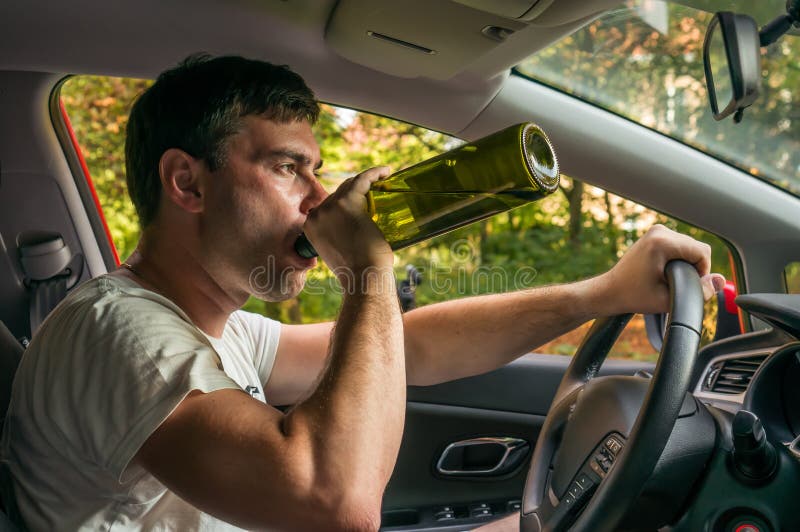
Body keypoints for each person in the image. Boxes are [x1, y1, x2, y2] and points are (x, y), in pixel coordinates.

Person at [0, 55, 726, 531]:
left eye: (317, 171)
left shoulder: (213, 329)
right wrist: (367, 272)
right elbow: (335, 501)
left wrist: (599, 294)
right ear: (188, 182)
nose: (319, 199)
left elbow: (412, 347)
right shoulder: (118, 332)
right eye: (289, 168)